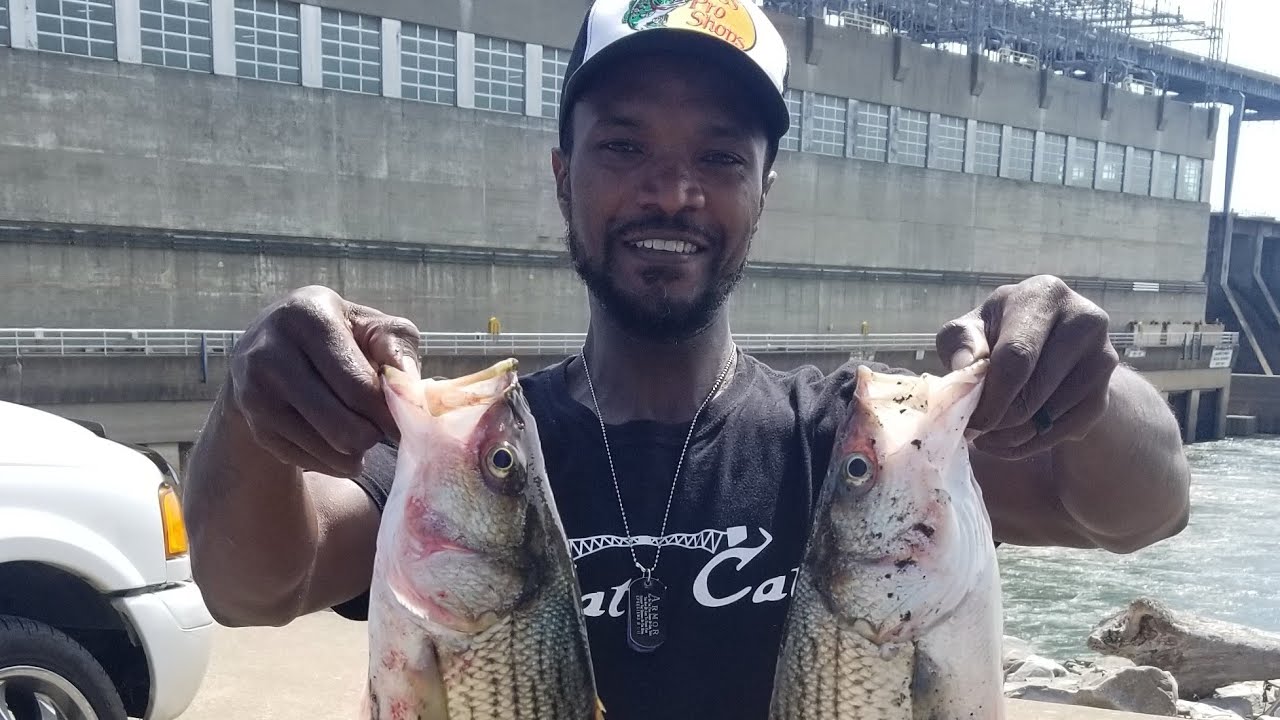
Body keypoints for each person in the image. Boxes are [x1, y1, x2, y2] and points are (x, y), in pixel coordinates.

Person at [181, 0, 1191, 716]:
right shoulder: (483, 454)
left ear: (763, 192)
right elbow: (248, 588)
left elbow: (1143, 507)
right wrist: (250, 412)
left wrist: (1086, 385)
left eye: (718, 156)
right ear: (563, 175)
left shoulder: (852, 442)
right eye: (624, 148)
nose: (672, 192)